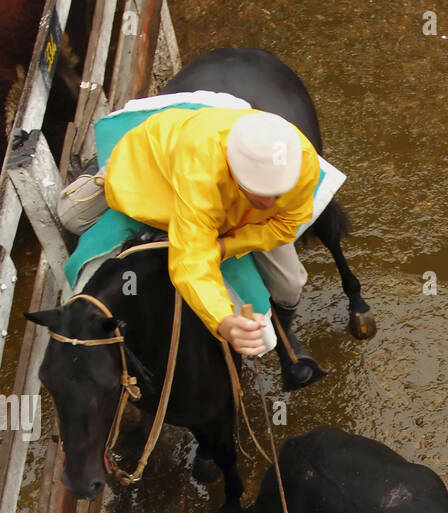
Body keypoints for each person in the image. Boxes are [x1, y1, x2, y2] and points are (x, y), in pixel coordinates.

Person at [58, 105, 323, 384]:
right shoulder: (200, 172)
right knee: (70, 218)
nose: (270, 202)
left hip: (238, 216)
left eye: (276, 192)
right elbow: (191, 261)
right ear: (233, 170)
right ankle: (103, 171)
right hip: (166, 177)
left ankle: (286, 338)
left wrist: (226, 246)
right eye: (258, 192)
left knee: (290, 283)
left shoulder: (302, 163)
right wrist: (223, 320)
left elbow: (284, 224)